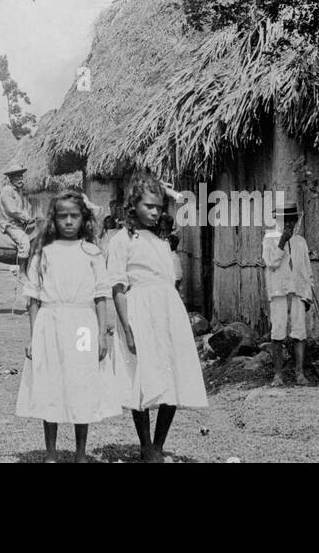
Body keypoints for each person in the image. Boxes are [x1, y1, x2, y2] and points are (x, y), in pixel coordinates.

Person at [16, 189, 120, 462]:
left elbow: (101, 296)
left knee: (81, 381)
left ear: (83, 218)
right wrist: (33, 337)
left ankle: (80, 453)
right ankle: (51, 453)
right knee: (50, 382)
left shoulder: (92, 252)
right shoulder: (44, 253)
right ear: (54, 219)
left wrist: (101, 334)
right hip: (50, 324)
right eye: (63, 216)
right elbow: (34, 298)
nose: (69, 221)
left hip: (82, 325)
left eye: (74, 216)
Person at [106, 179, 207, 462]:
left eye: (159, 207)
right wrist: (127, 329)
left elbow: (169, 281)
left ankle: (159, 444)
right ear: (133, 206)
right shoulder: (121, 240)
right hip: (140, 310)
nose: (154, 212)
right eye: (148, 206)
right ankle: (146, 444)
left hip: (168, 310)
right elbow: (118, 288)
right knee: (142, 375)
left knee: (172, 374)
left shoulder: (162, 241)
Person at [263, 198, 312, 387]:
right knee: (278, 331)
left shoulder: (300, 242)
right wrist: (282, 242)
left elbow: (307, 270)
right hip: (278, 292)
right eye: (285, 220)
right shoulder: (269, 240)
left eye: (292, 220)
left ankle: (300, 373)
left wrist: (307, 295)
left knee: (299, 331)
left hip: (298, 291)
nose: (289, 224)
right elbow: (271, 263)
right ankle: (278, 375)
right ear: (278, 220)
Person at [0, 163, 34, 278]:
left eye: (21, 176)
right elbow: (11, 210)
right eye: (17, 176)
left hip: (19, 224)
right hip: (10, 224)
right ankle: (22, 272)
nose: (20, 179)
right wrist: (26, 217)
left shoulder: (19, 191)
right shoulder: (7, 190)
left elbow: (24, 208)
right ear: (10, 178)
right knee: (25, 243)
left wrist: (29, 216)